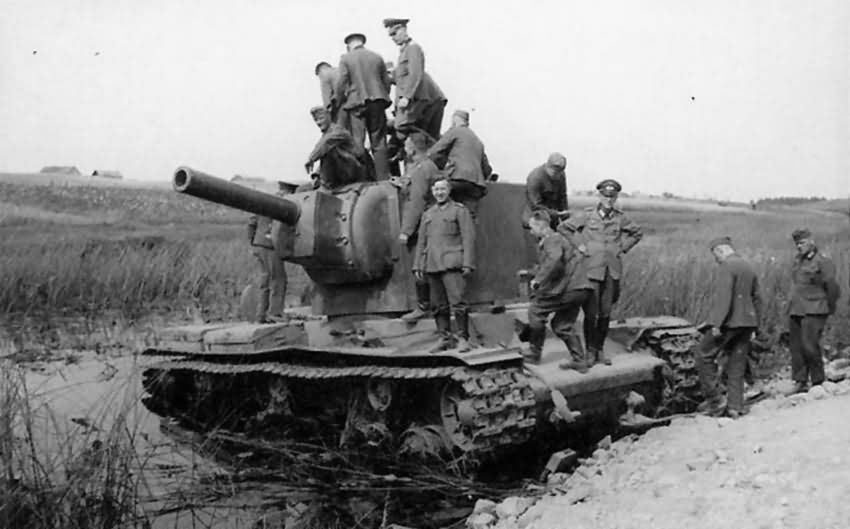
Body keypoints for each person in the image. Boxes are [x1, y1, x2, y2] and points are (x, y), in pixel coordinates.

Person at [558, 179, 643, 365]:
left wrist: (622, 248)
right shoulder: (588, 215)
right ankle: (589, 352)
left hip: (611, 271)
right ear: (599, 196)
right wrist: (579, 245)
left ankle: (599, 350)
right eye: (606, 196)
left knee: (605, 314)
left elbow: (637, 233)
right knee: (591, 313)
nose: (609, 200)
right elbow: (563, 227)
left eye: (612, 197)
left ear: (616, 197)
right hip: (591, 271)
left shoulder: (620, 218)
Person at [696, 237, 763, 417]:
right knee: (737, 364)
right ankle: (735, 407)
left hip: (729, 323)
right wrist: (756, 327)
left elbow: (724, 298)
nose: (716, 259)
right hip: (747, 324)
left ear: (720, 250)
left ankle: (715, 401)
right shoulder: (747, 266)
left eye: (715, 255)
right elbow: (757, 298)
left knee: (703, 355)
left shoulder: (726, 266)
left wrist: (716, 324)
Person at [524, 210, 593, 372]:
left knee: (536, 311)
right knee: (562, 325)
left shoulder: (552, 240)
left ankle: (534, 353)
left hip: (570, 288)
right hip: (581, 288)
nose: (531, 232)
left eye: (532, 228)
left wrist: (538, 280)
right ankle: (580, 360)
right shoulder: (557, 239)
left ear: (541, 227)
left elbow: (554, 260)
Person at [413, 178, 475, 353]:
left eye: (443, 189)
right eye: (436, 189)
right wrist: (418, 265)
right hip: (432, 264)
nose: (439, 193)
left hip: (452, 263)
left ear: (449, 191)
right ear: (432, 191)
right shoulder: (428, 214)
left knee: (458, 303)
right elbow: (421, 241)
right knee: (438, 305)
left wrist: (468, 263)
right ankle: (444, 338)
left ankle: (463, 339)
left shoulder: (459, 211)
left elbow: (468, 238)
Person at [787, 228, 841, 394]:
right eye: (797, 243)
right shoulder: (798, 260)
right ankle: (800, 380)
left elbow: (832, 288)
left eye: (802, 243)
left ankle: (818, 380)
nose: (799, 246)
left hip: (815, 309)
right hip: (796, 309)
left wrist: (828, 308)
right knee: (796, 347)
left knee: (809, 345)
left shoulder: (823, 262)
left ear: (811, 241)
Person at [336, 33, 392, 179]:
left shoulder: (346, 59)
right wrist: (381, 95)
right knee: (379, 141)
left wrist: (339, 100)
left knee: (358, 141)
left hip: (356, 104)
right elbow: (386, 81)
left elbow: (341, 83)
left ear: (349, 45)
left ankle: (361, 177)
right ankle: (383, 178)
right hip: (378, 101)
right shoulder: (377, 57)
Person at [397, 132, 441, 322]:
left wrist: (406, 231)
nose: (405, 148)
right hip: (431, 223)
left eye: (406, 145)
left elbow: (416, 202)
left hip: (426, 225)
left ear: (413, 147)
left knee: (421, 266)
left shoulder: (422, 169)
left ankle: (424, 307)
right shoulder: (424, 166)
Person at [383, 18, 447, 141]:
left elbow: (415, 73)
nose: (393, 38)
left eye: (395, 33)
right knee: (412, 131)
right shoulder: (403, 52)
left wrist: (407, 97)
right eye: (391, 35)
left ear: (404, 29)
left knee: (402, 125)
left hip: (423, 98)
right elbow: (400, 80)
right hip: (422, 99)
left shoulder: (413, 48)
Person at [425, 109, 492, 219]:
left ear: (455, 120)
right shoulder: (478, 141)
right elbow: (487, 169)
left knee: (439, 206)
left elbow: (434, 152)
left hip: (457, 179)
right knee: (468, 218)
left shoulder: (455, 131)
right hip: (475, 186)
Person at [247, 181, 298, 323]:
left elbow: (252, 222)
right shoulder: (282, 204)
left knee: (265, 281)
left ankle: (261, 315)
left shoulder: (265, 200)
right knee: (279, 280)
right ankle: (275, 313)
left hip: (259, 244)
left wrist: (252, 242)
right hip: (270, 246)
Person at [304, 106, 374, 188]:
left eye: (321, 118)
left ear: (329, 116)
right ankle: (324, 183)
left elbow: (327, 143)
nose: (318, 122)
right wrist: (317, 175)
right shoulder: (326, 135)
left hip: (356, 171)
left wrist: (311, 158)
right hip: (344, 171)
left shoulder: (338, 131)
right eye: (316, 120)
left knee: (329, 150)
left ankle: (326, 185)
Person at [522, 153, 569, 228]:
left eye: (559, 173)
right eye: (554, 172)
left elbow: (562, 196)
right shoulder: (535, 178)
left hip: (553, 214)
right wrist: (555, 213)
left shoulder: (561, 175)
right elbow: (536, 205)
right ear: (548, 167)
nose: (557, 176)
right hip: (536, 214)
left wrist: (565, 215)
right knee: (540, 227)